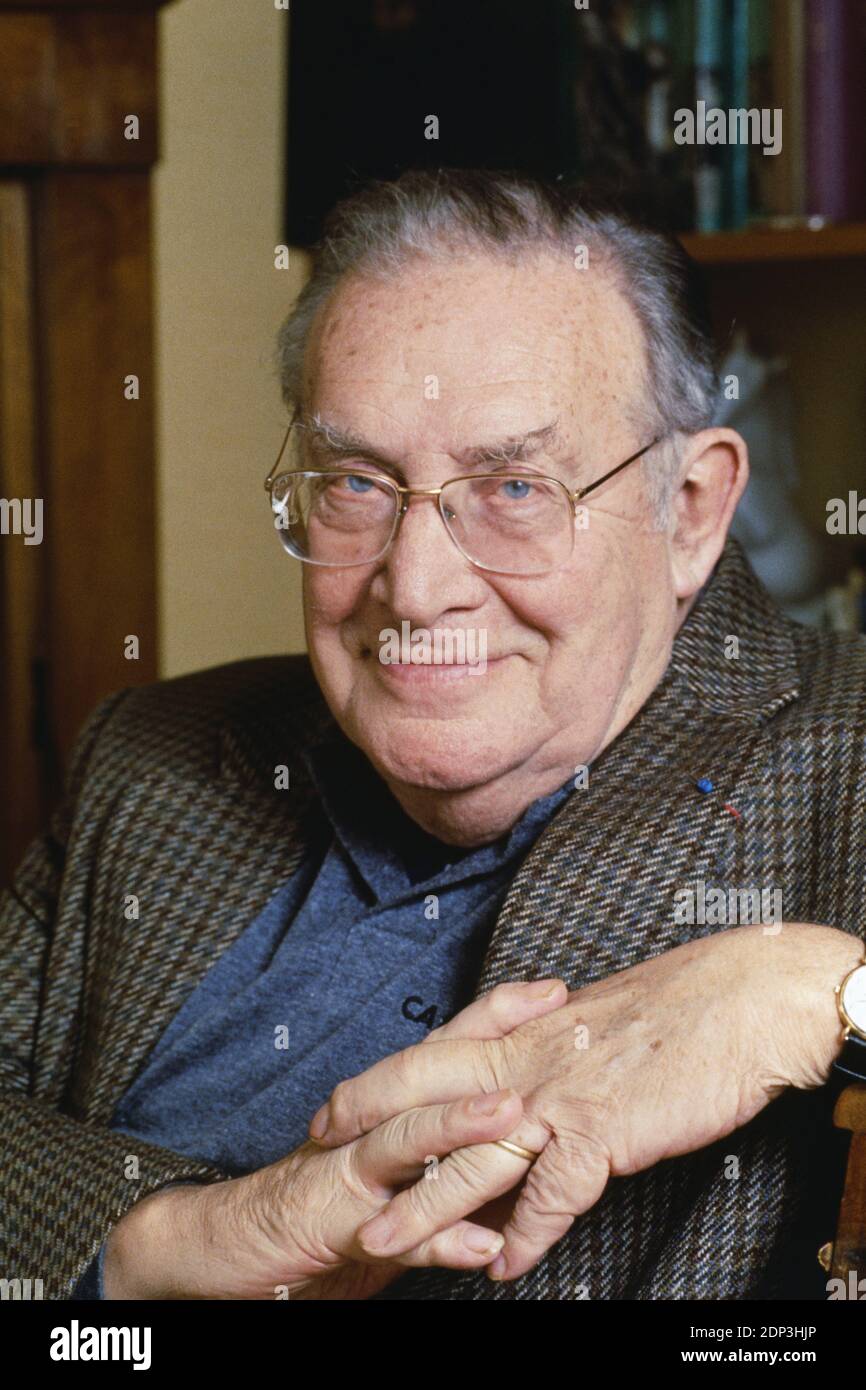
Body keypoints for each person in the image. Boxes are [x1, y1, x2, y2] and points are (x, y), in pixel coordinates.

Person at [2, 170, 864, 1302]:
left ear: (690, 509)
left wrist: (816, 993)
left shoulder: (847, 753)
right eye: (357, 481)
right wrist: (173, 1242)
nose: (413, 586)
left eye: (511, 485)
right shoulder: (153, 750)